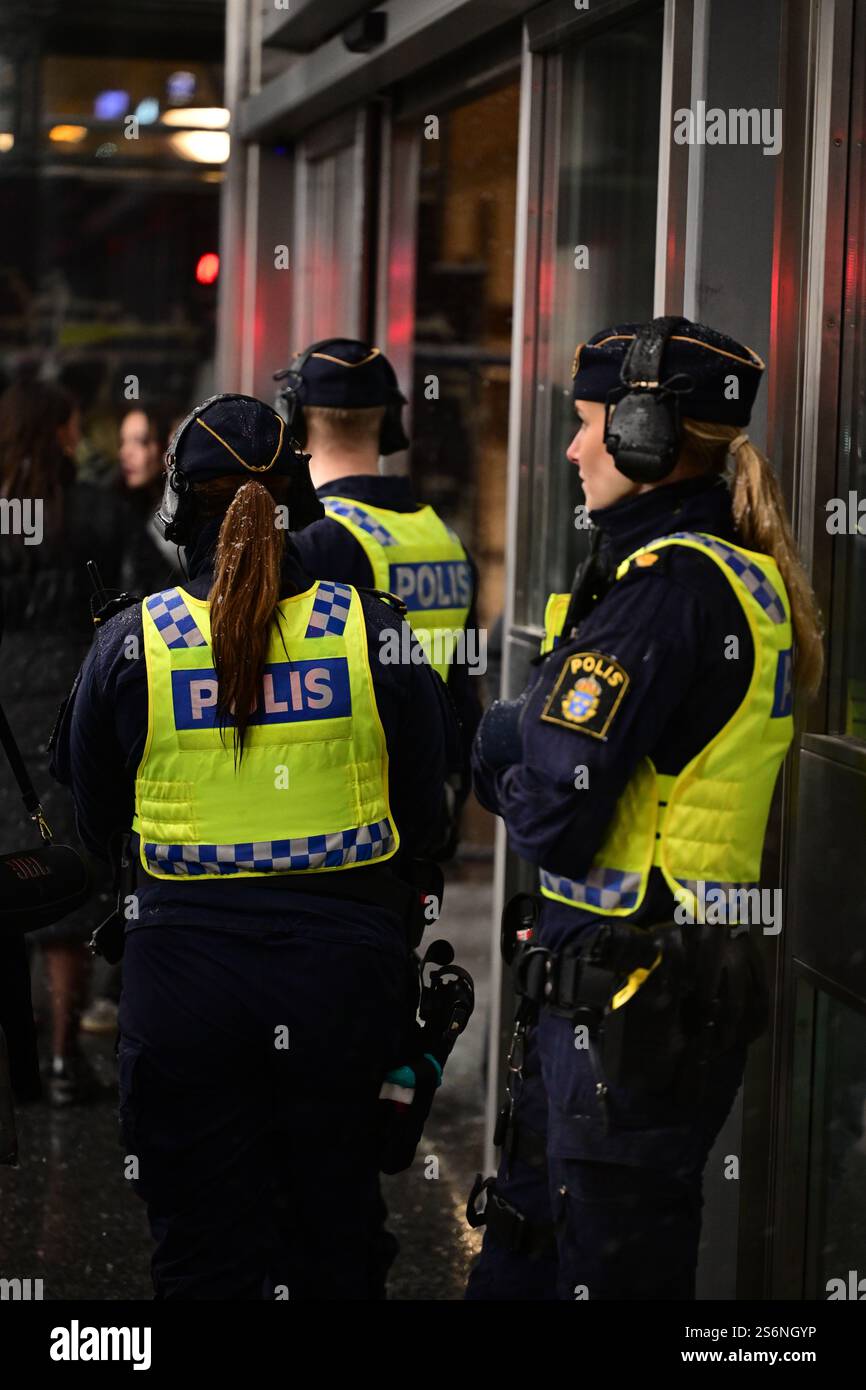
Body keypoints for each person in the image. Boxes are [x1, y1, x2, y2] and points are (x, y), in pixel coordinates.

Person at [51, 393, 459, 1300]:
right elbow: (427, 814)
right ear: (296, 498)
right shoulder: (374, 631)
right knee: (335, 1244)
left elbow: (95, 824)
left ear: (177, 506)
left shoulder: (129, 645)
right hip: (341, 993)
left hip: (182, 995)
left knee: (200, 1256)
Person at [465, 316, 823, 1300]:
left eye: (587, 425)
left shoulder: (665, 594)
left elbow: (554, 815)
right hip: (648, 992)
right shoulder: (714, 575)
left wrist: (495, 749)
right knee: (539, 1248)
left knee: (600, 1267)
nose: (573, 449)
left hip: (628, 998)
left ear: (643, 438)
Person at [275, 339, 483, 852]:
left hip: (338, 809)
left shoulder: (312, 544)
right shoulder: (444, 538)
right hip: (424, 800)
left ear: (294, 422)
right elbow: (463, 682)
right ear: (389, 424)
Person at [0, 375, 124, 1105]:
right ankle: (58, 1059)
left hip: (2, 705)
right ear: (59, 430)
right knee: (63, 876)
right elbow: (129, 607)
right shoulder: (97, 514)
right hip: (70, 704)